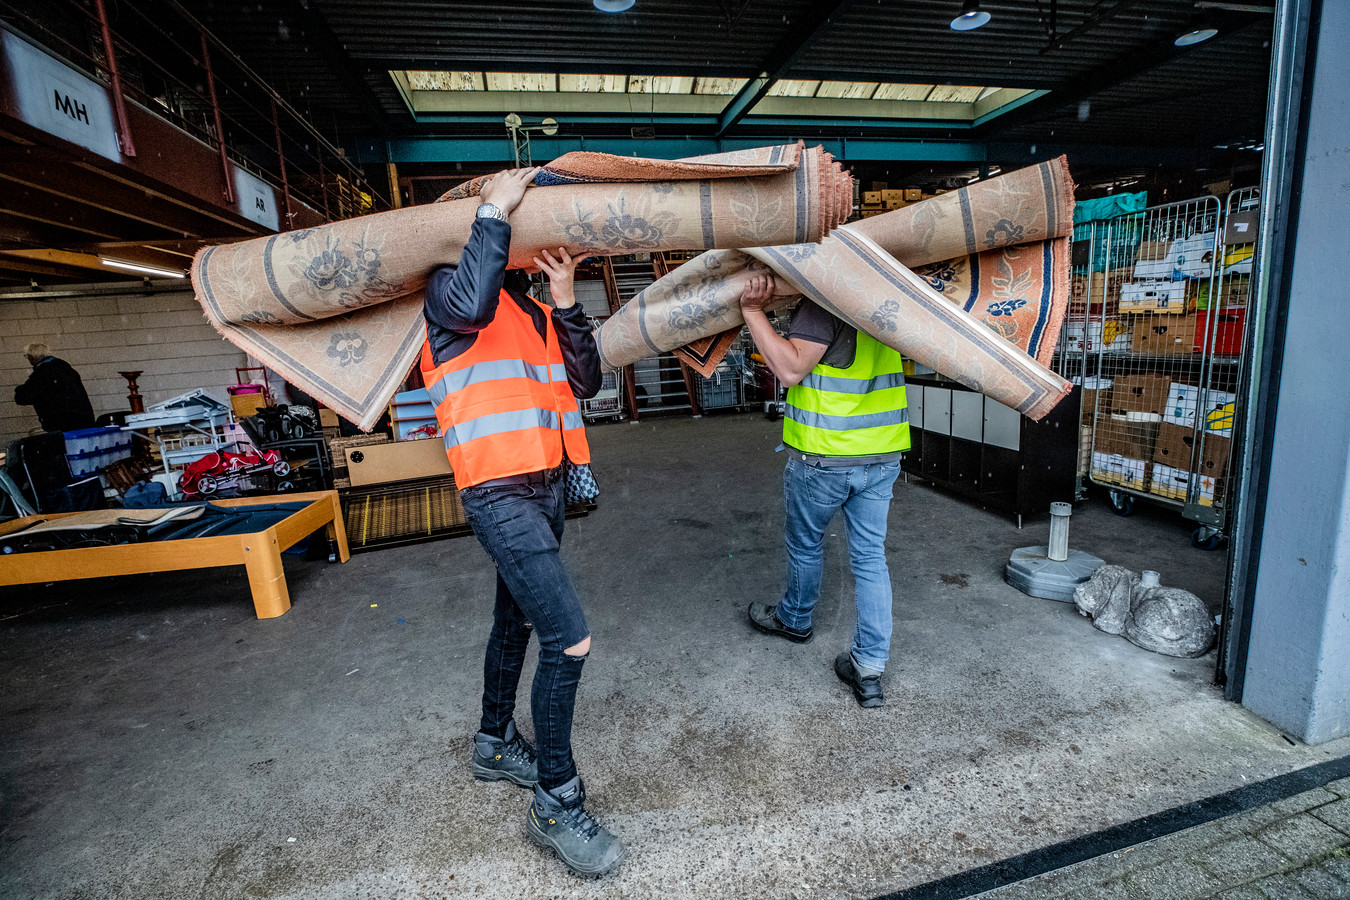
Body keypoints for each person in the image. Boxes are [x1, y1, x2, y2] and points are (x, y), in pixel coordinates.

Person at [420, 167, 625, 878]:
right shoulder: (446, 298)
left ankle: (493, 741)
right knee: (570, 642)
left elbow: (587, 380)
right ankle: (554, 799)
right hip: (498, 497)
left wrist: (566, 302)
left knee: (517, 623)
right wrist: (494, 209)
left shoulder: (536, 314)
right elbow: (473, 304)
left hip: (545, 492)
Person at [738, 274, 911, 709]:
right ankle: (869, 669)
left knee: (806, 544)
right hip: (883, 454)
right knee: (871, 559)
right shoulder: (881, 299)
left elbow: (791, 368)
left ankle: (795, 619)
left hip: (825, 458)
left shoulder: (823, 302)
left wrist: (752, 311)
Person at [14, 343, 95, 433]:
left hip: (62, 424)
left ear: (31, 357)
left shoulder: (43, 372)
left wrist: (18, 389)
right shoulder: (66, 368)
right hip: (84, 420)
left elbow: (22, 397)